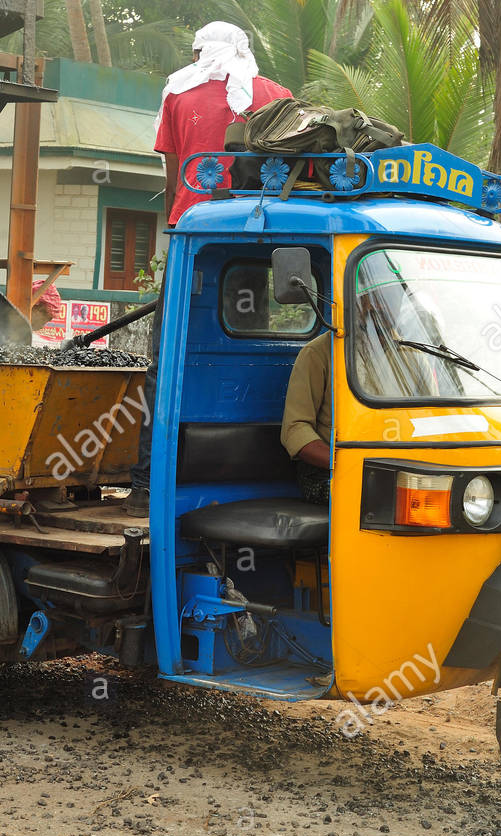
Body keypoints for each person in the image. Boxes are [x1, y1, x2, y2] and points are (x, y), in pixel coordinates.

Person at [125, 21, 292, 516]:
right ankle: (255, 477)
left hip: (194, 233)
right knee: (250, 345)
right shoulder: (275, 93)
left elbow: (173, 171)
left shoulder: (178, 90)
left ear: (200, 51)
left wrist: (175, 218)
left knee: (167, 360)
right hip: (258, 239)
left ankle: (146, 485)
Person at [281, 331, 333, 505]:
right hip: (326, 473)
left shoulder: (409, 353)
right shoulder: (318, 353)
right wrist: (347, 464)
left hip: (394, 469)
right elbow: (296, 429)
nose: (375, 307)